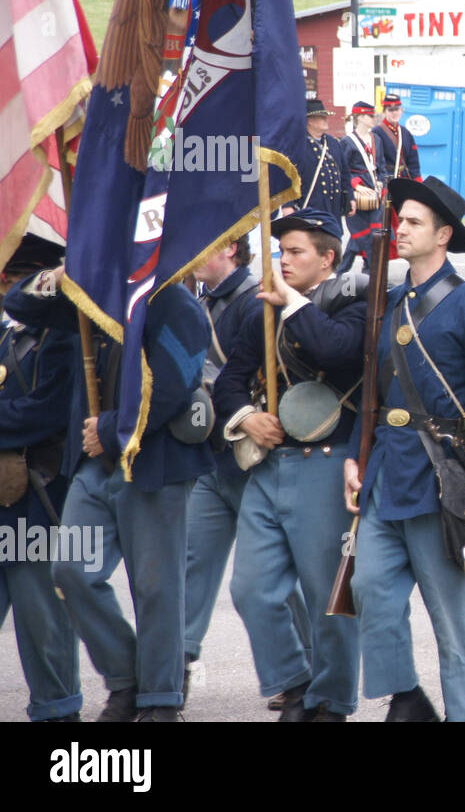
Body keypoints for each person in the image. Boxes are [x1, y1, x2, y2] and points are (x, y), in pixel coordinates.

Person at [6, 263, 213, 721]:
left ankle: (160, 701)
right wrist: (58, 276)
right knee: (70, 571)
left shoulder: (173, 304)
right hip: (93, 466)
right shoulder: (93, 298)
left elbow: (173, 388)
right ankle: (126, 677)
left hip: (152, 464)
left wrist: (111, 430)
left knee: (156, 589)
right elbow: (18, 303)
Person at [345, 177, 465, 722]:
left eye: (414, 222)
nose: (402, 228)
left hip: (444, 482)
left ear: (443, 235)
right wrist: (356, 456)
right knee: (369, 588)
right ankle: (408, 699)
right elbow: (373, 391)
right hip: (385, 476)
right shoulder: (388, 302)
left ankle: (464, 714)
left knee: (454, 619)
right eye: (401, 219)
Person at [215, 209, 364, 721]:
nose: (284, 261)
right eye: (280, 252)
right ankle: (295, 683)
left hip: (325, 462)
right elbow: (229, 381)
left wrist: (292, 303)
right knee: (251, 588)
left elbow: (335, 348)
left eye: (296, 251)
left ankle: (332, 701)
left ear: (328, 258)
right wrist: (246, 417)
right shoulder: (266, 313)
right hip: (268, 466)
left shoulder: (357, 302)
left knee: (329, 595)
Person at [182, 236, 311, 710]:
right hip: (210, 458)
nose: (194, 254)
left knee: (274, 580)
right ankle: (174, 666)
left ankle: (303, 671)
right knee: (192, 563)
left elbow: (249, 376)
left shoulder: (253, 301)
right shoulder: (198, 301)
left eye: (205, 245)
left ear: (232, 249)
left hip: (249, 457)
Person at [0, 234, 80, 721]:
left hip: (39, 491)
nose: (12, 289)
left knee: (41, 617)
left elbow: (47, 411)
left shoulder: (69, 337)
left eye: (20, 279)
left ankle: (58, 714)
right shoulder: (8, 334)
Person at [341, 100, 384, 274]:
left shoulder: (377, 139)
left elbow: (380, 165)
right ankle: (370, 272)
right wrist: (356, 186)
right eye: (370, 115)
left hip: (374, 191)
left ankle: (349, 270)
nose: (373, 118)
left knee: (375, 233)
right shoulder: (347, 141)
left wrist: (380, 182)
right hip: (357, 194)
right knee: (362, 234)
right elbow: (342, 169)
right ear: (359, 117)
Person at [301, 99, 355, 225]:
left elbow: (345, 175)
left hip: (333, 209)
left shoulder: (333, 143)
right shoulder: (299, 145)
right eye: (321, 117)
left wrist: (350, 197)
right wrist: (288, 205)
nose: (326, 119)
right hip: (310, 207)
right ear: (310, 120)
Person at [374, 92, 421, 182]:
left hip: (405, 179)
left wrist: (417, 181)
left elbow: (413, 162)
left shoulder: (405, 132)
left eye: (397, 109)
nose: (394, 113)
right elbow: (377, 162)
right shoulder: (377, 132)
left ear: (401, 111)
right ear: (384, 112)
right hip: (388, 180)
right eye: (390, 110)